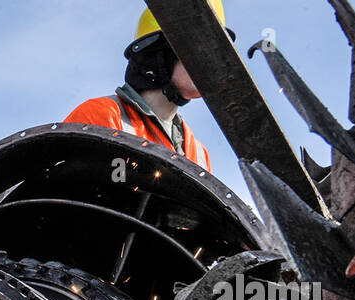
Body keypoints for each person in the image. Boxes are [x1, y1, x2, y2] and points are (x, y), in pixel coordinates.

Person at [64, 2, 237, 173]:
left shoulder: (200, 156)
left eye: (214, 55)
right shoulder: (102, 115)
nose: (208, 65)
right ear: (158, 54)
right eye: (198, 51)